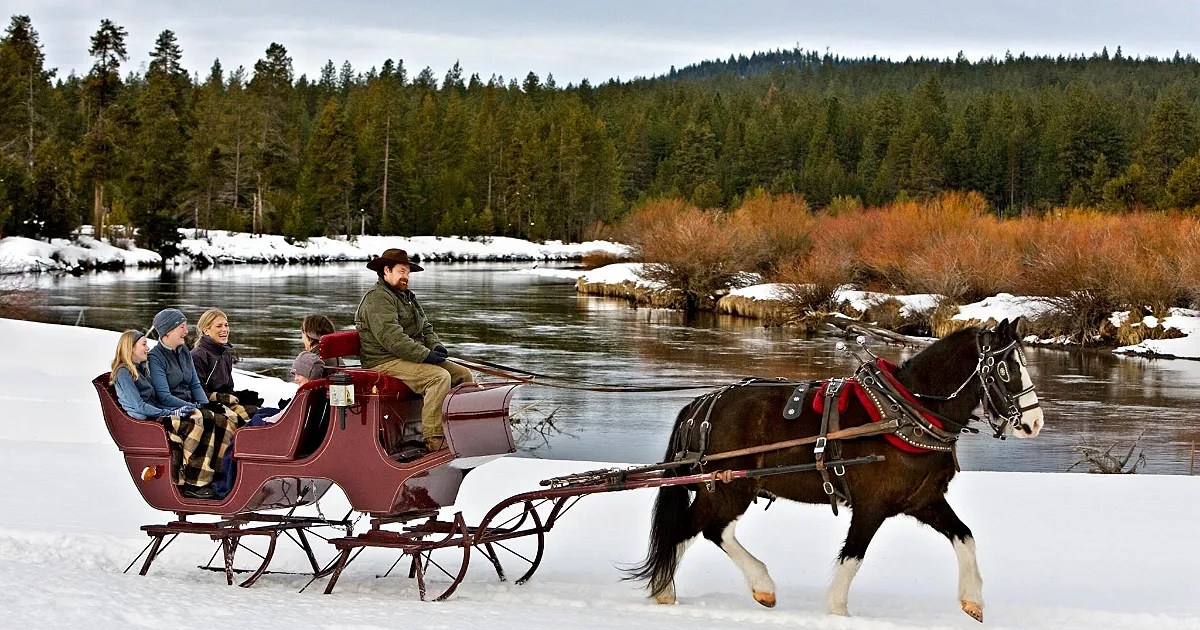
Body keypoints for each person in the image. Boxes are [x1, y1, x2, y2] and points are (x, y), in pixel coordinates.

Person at [354, 248, 474, 451]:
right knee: (438, 377)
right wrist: (425, 355)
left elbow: (425, 328)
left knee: (463, 374)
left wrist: (435, 346)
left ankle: (460, 430)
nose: (406, 277)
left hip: (406, 356)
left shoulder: (406, 297)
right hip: (384, 361)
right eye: (402, 271)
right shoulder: (377, 299)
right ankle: (434, 440)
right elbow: (392, 339)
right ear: (386, 270)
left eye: (408, 272)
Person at [110, 329, 233, 500]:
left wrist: (192, 406)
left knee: (212, 419)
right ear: (130, 348)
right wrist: (170, 412)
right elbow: (139, 406)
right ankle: (193, 482)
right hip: (147, 421)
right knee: (195, 423)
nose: (148, 348)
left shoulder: (140, 369)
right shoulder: (123, 373)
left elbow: (156, 399)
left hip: (156, 414)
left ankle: (216, 475)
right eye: (144, 344)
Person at [146, 307, 244, 434]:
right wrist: (196, 407)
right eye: (182, 327)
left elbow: (195, 384)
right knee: (220, 422)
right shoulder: (155, 358)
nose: (186, 331)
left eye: (226, 325)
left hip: (191, 405)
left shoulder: (184, 352)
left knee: (239, 416)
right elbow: (164, 397)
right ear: (168, 331)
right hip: (173, 409)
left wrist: (204, 405)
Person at [191, 308, 262, 410]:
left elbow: (228, 390)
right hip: (204, 407)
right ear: (206, 331)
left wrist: (241, 396)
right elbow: (196, 394)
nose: (224, 329)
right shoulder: (197, 356)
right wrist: (221, 398)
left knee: (263, 411)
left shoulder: (225, 355)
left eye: (226, 325)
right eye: (219, 326)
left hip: (223, 403)